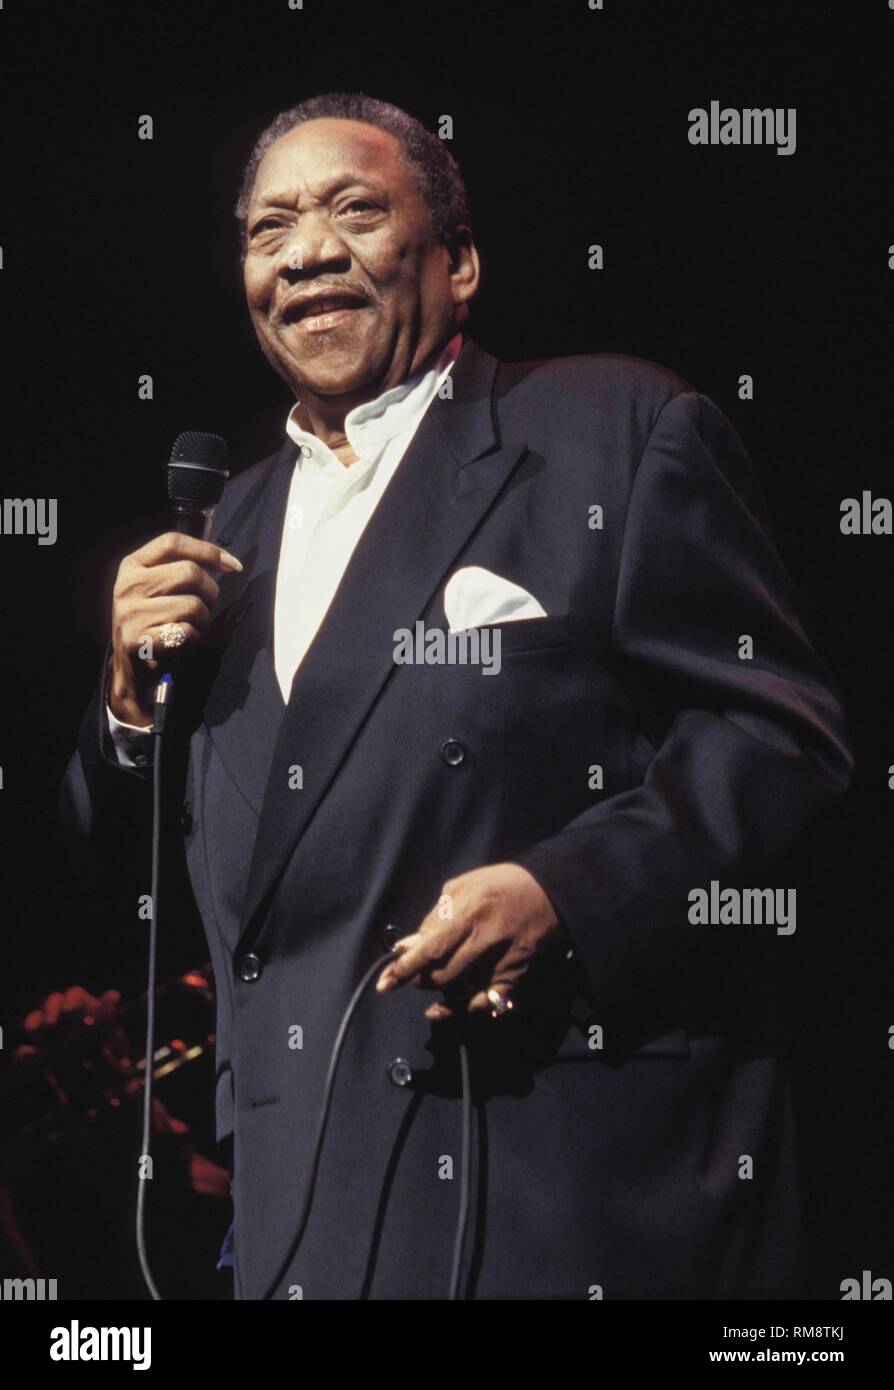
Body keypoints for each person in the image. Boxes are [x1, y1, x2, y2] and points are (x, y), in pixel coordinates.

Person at [61, 92, 853, 1300]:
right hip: (302, 1217)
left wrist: (570, 890)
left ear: (460, 262)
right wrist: (125, 712)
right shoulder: (229, 538)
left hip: (556, 1185)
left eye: (355, 211)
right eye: (270, 229)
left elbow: (783, 737)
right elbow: (143, 879)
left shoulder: (607, 430)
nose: (308, 250)